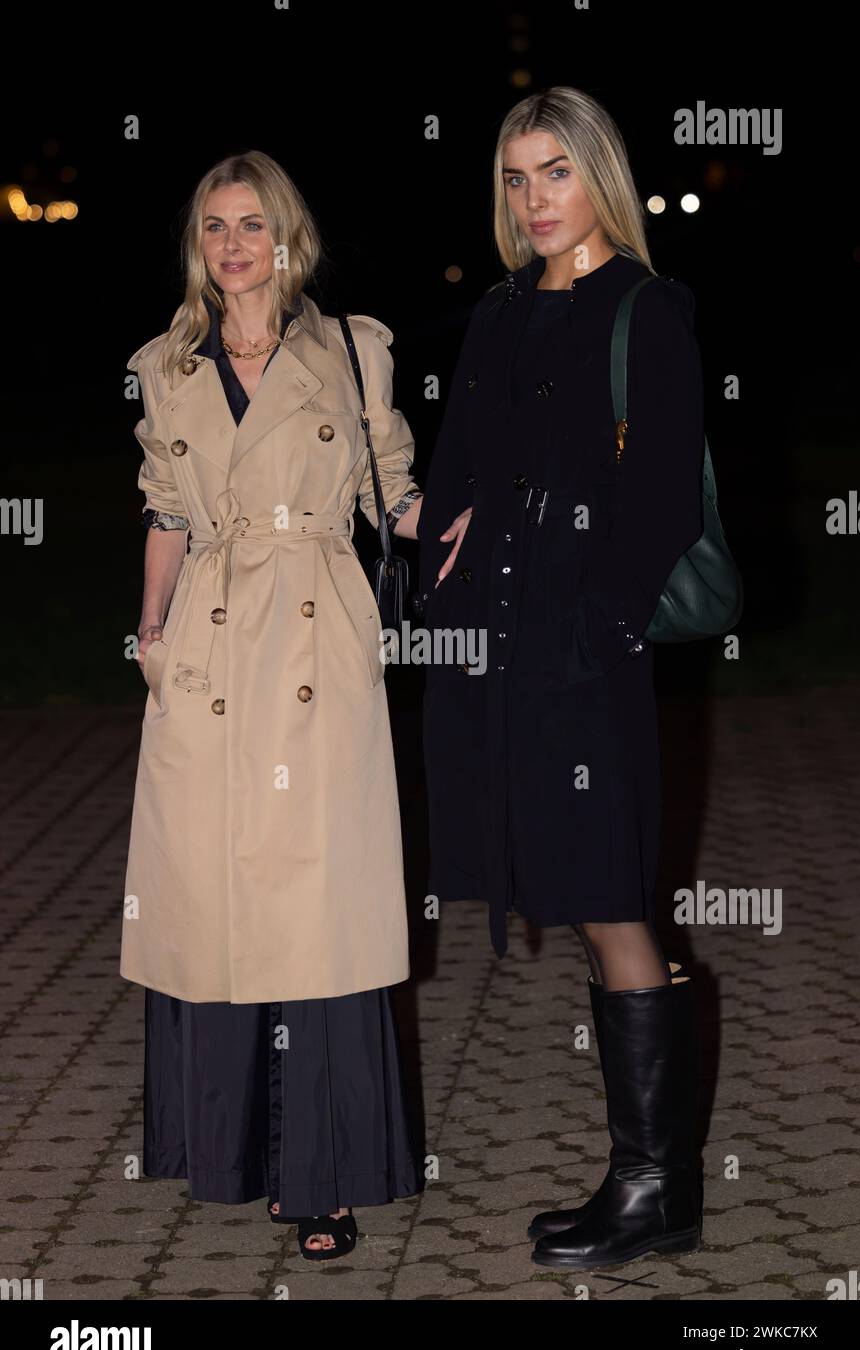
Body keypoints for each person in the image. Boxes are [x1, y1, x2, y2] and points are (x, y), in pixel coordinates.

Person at [121, 150, 433, 1261]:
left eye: (252, 224)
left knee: (322, 910)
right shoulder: (166, 364)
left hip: (317, 639)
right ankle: (234, 1149)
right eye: (214, 227)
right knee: (213, 904)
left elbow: (393, 492)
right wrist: (150, 636)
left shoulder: (352, 349)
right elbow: (165, 508)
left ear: (287, 236)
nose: (233, 245)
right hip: (206, 650)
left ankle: (326, 1174)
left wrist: (470, 526)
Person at [416, 87, 706, 1270]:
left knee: (614, 897)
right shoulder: (494, 314)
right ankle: (642, 1182)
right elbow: (463, 471)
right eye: (514, 178)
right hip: (500, 649)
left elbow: (665, 493)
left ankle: (657, 1187)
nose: (534, 199)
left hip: (584, 653)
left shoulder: (649, 307)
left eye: (555, 172)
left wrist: (604, 622)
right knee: (583, 899)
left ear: (600, 177)